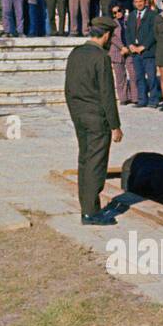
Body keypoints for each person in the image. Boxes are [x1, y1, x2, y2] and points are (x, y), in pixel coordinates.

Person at [64, 16, 122, 225]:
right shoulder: (101, 57)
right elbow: (107, 94)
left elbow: (68, 89)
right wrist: (115, 125)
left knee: (85, 160)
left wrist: (75, 113)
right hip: (97, 118)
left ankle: (86, 206)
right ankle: (91, 212)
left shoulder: (76, 53)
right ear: (106, 35)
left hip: (79, 114)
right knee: (96, 164)